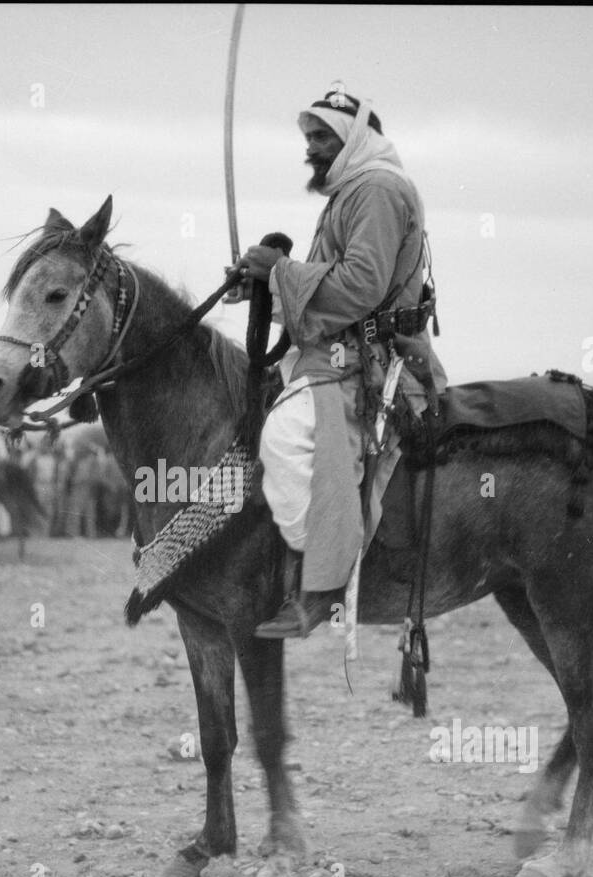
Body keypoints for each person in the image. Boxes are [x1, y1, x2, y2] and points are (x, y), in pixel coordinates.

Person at [236, 88, 448, 639]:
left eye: (323, 137)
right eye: (308, 138)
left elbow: (360, 286)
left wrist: (280, 271)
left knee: (284, 436)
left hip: (368, 361)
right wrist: (262, 286)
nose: (311, 149)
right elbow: (325, 284)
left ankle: (323, 583)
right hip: (336, 348)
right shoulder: (350, 190)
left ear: (355, 138)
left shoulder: (376, 188)